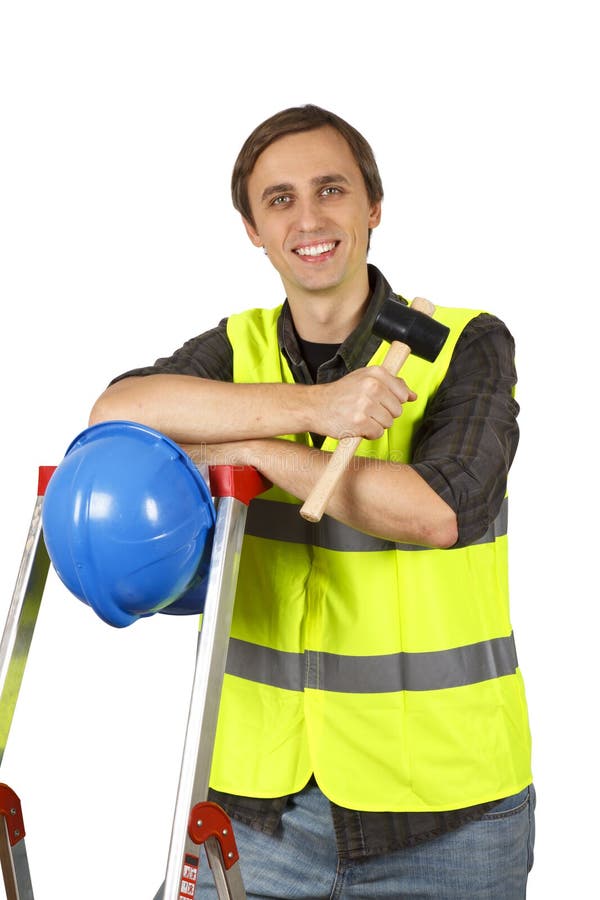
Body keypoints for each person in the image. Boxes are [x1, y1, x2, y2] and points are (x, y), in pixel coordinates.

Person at [90, 105, 535, 899]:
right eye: (280, 199)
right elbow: (116, 411)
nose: (310, 217)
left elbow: (440, 511)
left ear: (373, 207)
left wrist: (259, 451)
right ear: (254, 230)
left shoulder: (463, 342)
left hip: (449, 819)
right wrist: (313, 413)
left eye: (331, 189)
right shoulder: (238, 349)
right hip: (258, 814)